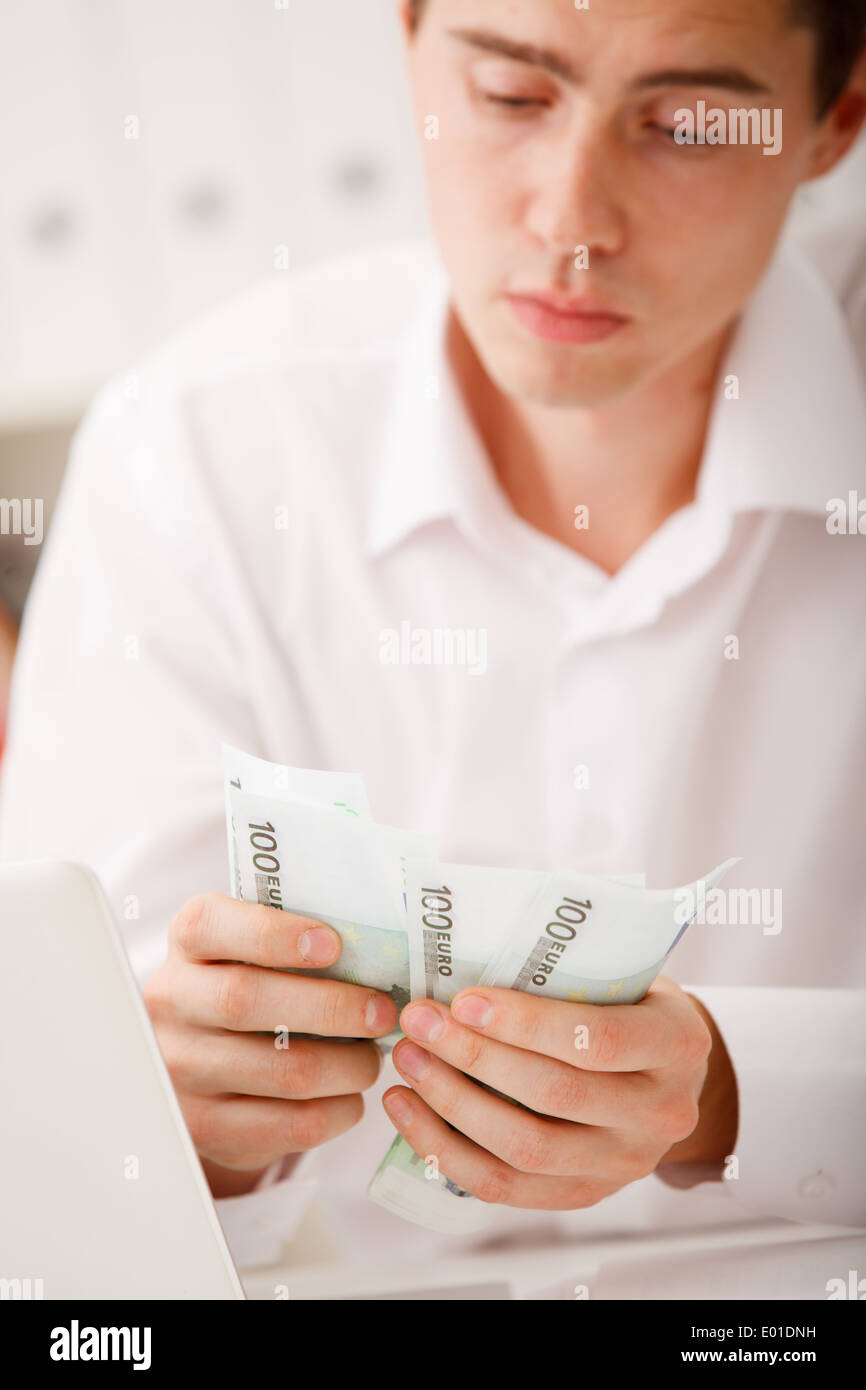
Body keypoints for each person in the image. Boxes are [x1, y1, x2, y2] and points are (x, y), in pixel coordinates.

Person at [1, 0, 865, 1274]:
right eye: (512, 97)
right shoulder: (193, 453)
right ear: (407, 38)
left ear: (831, 123)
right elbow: (61, 1153)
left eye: (683, 125)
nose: (570, 220)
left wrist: (734, 1086)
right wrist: (199, 1129)